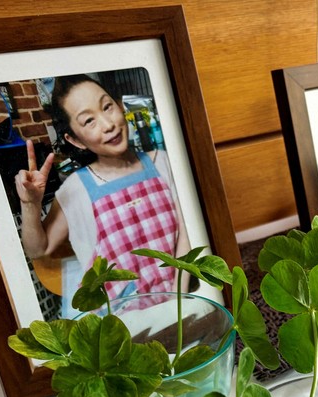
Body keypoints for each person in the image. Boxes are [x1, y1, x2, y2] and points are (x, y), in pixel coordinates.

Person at [16, 74, 190, 300]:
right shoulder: (76, 188)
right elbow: (38, 249)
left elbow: (186, 237)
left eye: (107, 107)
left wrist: (179, 302)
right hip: (118, 321)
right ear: (75, 140)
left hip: (180, 301)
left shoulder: (164, 162)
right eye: (89, 121)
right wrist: (30, 204)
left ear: (119, 105)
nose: (108, 125)